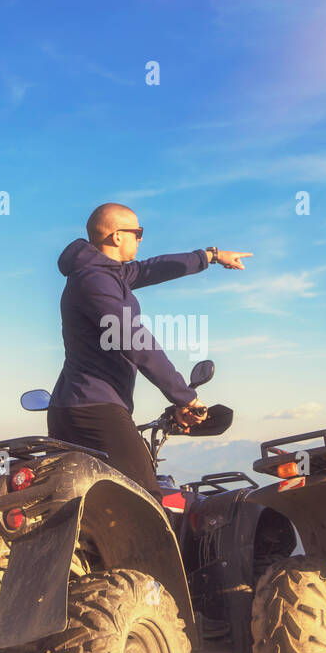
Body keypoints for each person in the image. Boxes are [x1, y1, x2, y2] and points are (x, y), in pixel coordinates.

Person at [48, 202, 251, 493]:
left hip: (78, 405)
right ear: (117, 236)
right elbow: (135, 341)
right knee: (144, 501)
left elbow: (152, 268)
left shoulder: (106, 274)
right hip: (94, 410)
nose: (141, 239)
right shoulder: (94, 280)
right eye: (138, 232)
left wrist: (212, 256)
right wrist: (185, 397)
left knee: (98, 505)